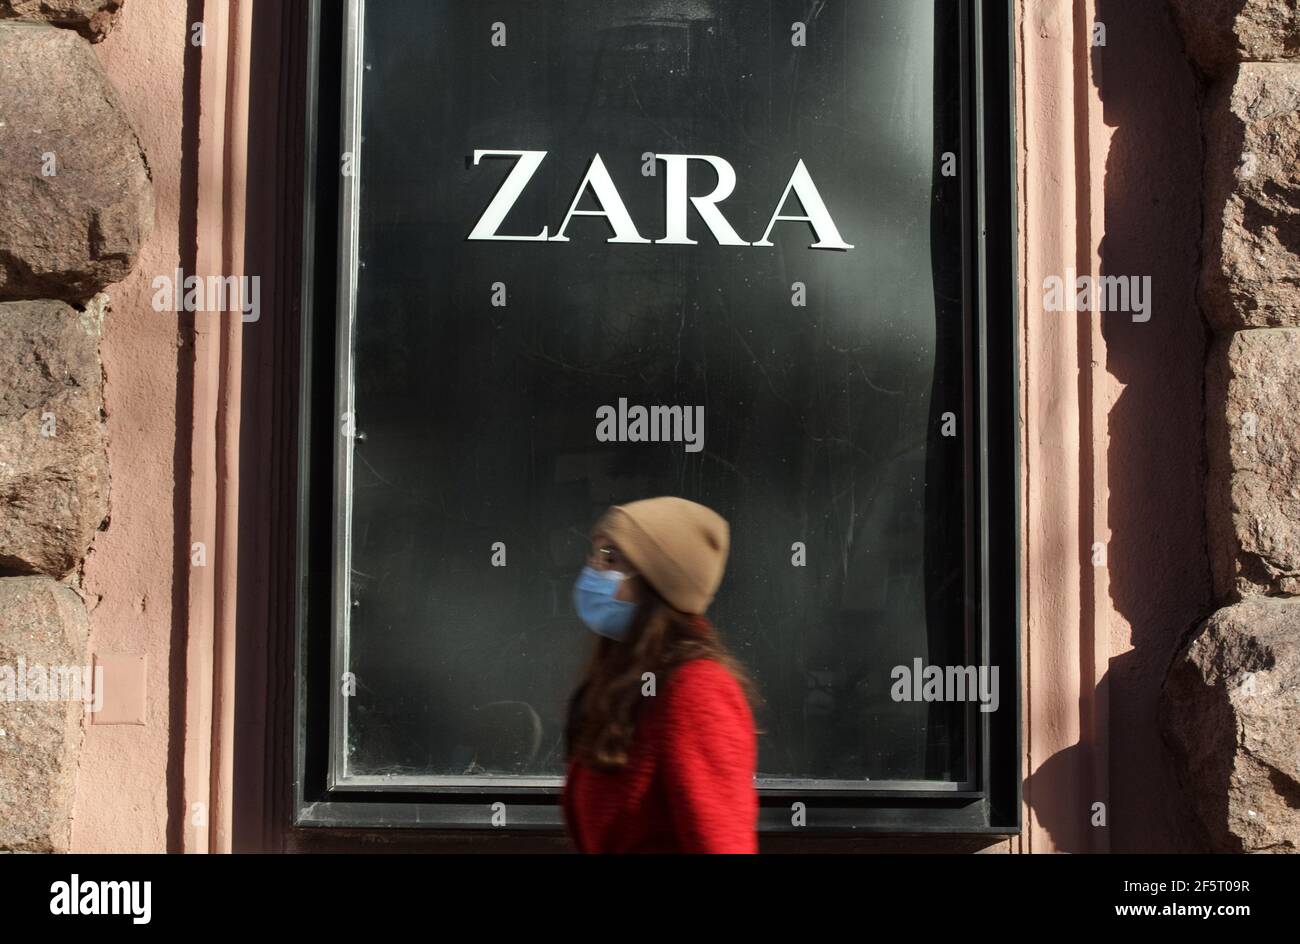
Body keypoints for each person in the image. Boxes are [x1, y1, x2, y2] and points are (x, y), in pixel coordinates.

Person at [561, 496, 764, 853]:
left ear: (656, 581)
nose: (593, 570)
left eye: (610, 558)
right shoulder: (623, 682)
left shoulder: (697, 690)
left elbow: (721, 843)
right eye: (593, 555)